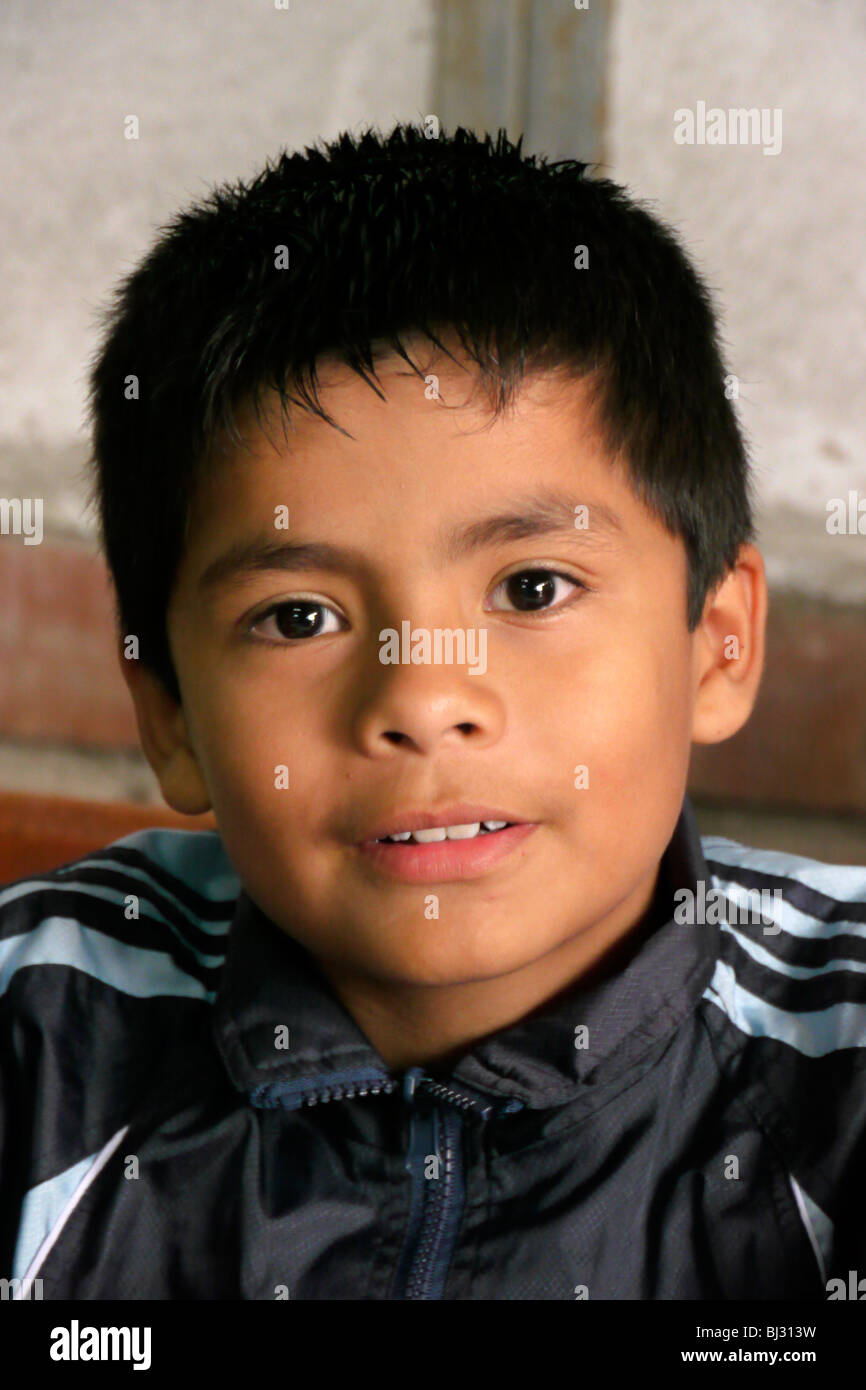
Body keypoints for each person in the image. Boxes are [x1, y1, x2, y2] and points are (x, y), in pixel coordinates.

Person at [2, 125, 863, 1300]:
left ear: (716, 641)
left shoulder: (838, 1068)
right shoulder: (42, 1037)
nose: (421, 698)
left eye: (532, 588)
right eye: (298, 617)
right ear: (168, 715)